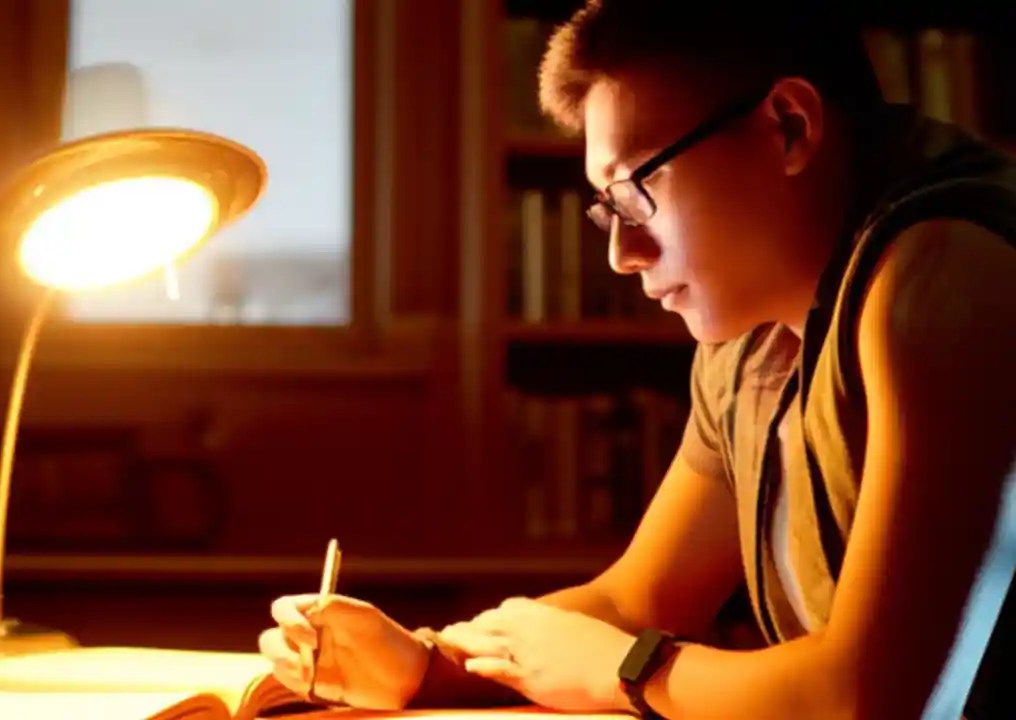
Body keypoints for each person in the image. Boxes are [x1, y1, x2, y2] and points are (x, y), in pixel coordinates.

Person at [258, 1, 1016, 717]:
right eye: (606, 207)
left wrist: (627, 670)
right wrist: (426, 663)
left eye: (636, 190)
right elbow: (634, 601)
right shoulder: (753, 343)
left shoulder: (947, 278)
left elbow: (877, 698)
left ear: (789, 127)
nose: (621, 252)